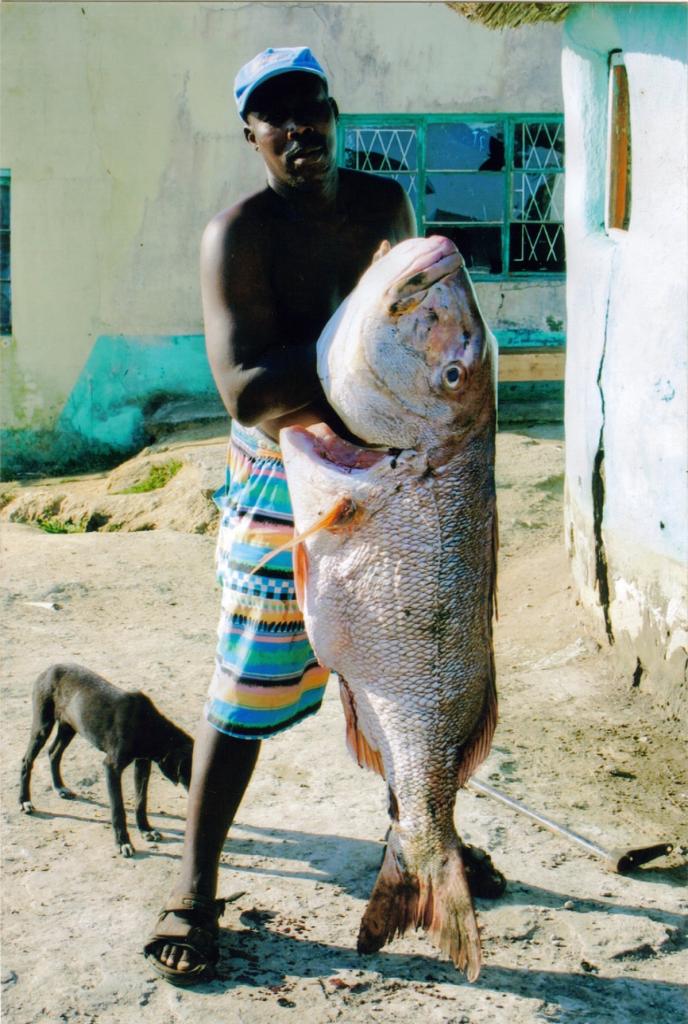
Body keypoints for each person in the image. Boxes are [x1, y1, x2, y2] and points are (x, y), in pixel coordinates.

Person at [145, 46, 503, 986]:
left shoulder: (383, 209)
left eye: (312, 108)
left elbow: (414, 333)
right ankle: (194, 885)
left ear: (334, 114)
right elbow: (248, 389)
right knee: (249, 676)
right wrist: (366, 363)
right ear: (253, 135)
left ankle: (425, 834)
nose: (300, 127)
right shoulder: (239, 235)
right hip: (286, 464)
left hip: (405, 456)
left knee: (418, 649)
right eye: (277, 116)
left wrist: (395, 374)